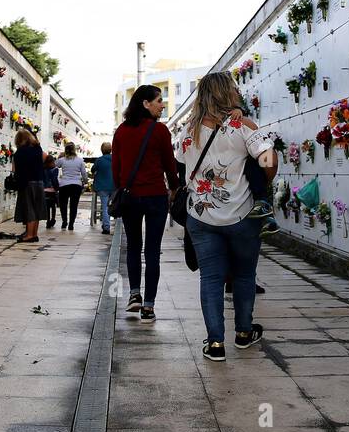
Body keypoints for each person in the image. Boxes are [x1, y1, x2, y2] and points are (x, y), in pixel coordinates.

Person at [174, 71, 276, 362]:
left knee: (211, 277)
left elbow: (181, 163)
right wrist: (263, 179)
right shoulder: (243, 126)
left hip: (201, 216)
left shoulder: (188, 130)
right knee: (244, 275)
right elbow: (268, 158)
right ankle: (243, 333)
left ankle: (215, 343)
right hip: (243, 215)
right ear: (228, 92)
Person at [110, 84, 179, 321]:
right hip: (155, 197)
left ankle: (134, 295)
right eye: (159, 100)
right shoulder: (160, 130)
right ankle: (149, 306)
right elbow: (170, 165)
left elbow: (116, 168)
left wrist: (122, 188)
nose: (162, 105)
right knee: (152, 251)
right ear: (145, 103)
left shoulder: (121, 131)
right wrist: (175, 186)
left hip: (130, 197)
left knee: (133, 247)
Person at [12, 129, 46, 243]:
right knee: (36, 209)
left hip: (27, 183)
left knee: (29, 209)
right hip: (39, 182)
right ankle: (34, 234)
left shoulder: (20, 152)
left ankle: (29, 235)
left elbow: (16, 169)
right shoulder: (38, 149)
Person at [56, 142, 87, 231]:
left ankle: (64, 221)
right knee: (74, 205)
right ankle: (71, 224)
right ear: (74, 150)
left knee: (63, 205)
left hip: (64, 184)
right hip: (76, 185)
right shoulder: (80, 160)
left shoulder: (62, 160)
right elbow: (84, 174)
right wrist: (84, 182)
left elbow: (55, 165)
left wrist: (60, 156)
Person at [91, 142, 115, 234]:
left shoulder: (99, 160)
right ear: (111, 150)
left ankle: (106, 227)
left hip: (102, 187)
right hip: (114, 186)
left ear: (102, 150)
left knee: (105, 207)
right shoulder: (115, 159)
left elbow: (93, 170)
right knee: (112, 205)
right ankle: (115, 223)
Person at [42, 154, 59, 229]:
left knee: (47, 207)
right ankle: (53, 219)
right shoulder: (55, 169)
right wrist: (57, 188)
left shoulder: (43, 169)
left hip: (44, 190)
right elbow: (54, 180)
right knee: (53, 206)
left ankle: (48, 221)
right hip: (52, 190)